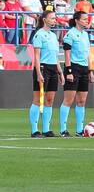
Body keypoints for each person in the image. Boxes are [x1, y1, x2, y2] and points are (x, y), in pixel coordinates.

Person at [28, 9, 62, 137]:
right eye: (52, 18)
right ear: (44, 20)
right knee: (38, 99)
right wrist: (38, 73)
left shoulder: (53, 35)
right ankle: (34, 130)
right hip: (42, 68)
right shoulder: (39, 35)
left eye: (55, 18)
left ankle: (46, 129)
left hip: (53, 68)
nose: (54, 20)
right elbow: (36, 56)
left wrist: (60, 71)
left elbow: (55, 56)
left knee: (50, 99)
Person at [59, 10, 93, 136]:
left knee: (82, 101)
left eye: (87, 19)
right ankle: (63, 130)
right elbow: (67, 54)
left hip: (84, 69)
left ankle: (80, 130)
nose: (87, 21)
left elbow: (87, 54)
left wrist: (90, 71)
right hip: (73, 67)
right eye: (84, 19)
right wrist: (68, 71)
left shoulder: (85, 34)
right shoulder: (70, 34)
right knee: (68, 100)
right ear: (77, 20)